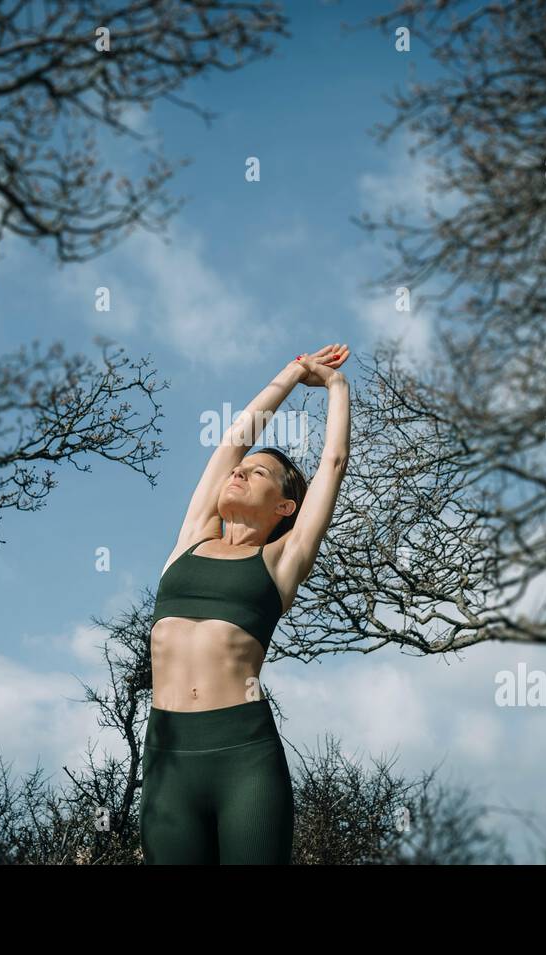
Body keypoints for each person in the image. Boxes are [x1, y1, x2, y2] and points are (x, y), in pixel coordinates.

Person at [140, 343, 351, 864]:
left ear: (285, 505)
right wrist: (289, 374)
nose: (240, 472)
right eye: (242, 470)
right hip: (167, 758)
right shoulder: (190, 538)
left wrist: (336, 387)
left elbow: (334, 462)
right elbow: (232, 443)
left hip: (244, 760)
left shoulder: (282, 559)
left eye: (259, 473)